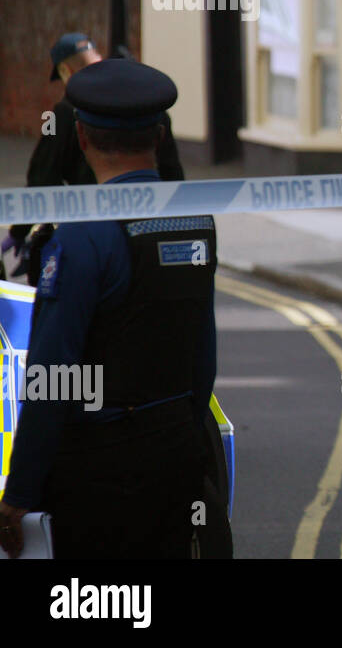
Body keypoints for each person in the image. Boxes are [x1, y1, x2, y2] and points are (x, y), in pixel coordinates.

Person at [0, 59, 218, 560]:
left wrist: (20, 493)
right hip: (176, 448)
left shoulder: (82, 236)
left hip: (101, 469)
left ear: (79, 138)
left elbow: (52, 377)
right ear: (160, 137)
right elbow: (202, 356)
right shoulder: (196, 218)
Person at [7, 33, 185, 284]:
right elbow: (173, 172)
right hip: (149, 226)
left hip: (89, 227)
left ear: (65, 71)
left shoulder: (57, 115)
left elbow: (42, 176)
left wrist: (21, 230)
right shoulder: (146, 104)